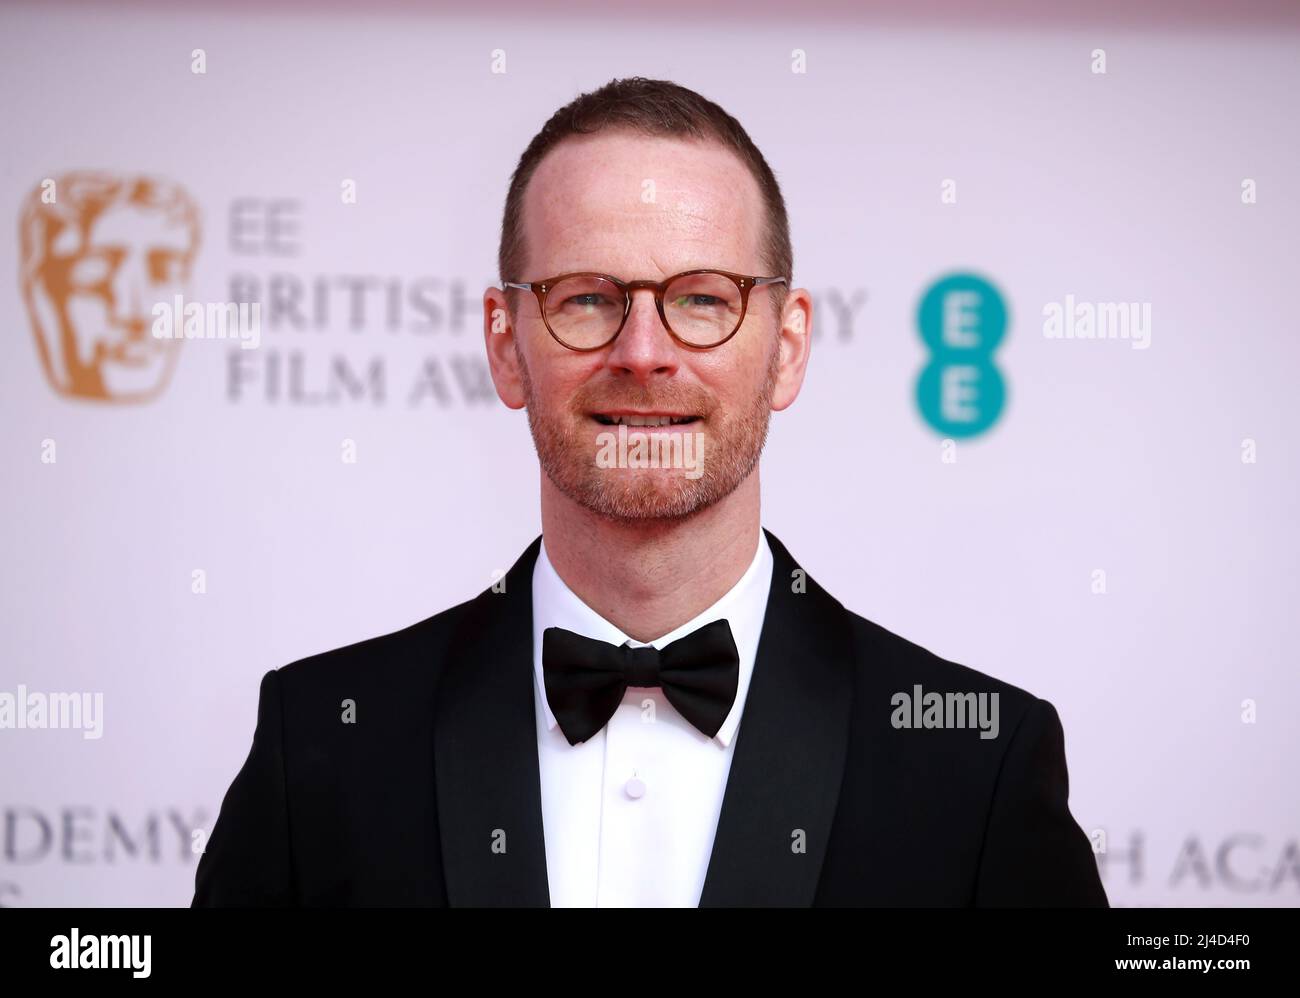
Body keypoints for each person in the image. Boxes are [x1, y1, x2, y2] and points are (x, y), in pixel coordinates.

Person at [193, 77, 1107, 907]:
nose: (642, 352)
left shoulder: (977, 765)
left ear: (786, 348)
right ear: (506, 345)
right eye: (586, 299)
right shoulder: (318, 748)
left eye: (704, 299)